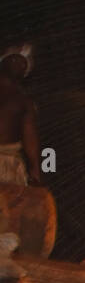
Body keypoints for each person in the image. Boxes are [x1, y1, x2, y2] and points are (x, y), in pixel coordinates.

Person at [0, 45, 40, 187]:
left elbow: (30, 137)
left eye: (23, 63)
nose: (18, 63)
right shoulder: (23, 101)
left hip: (7, 166)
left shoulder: (24, 102)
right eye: (14, 59)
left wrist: (35, 169)